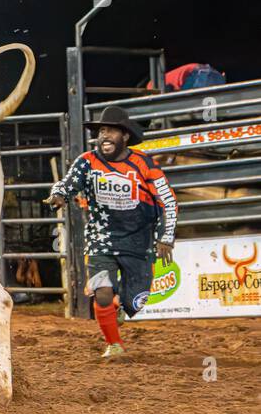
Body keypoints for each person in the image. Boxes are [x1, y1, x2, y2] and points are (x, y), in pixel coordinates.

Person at [47, 105, 178, 360]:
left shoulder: (145, 165)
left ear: (125, 136)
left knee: (136, 302)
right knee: (103, 292)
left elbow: (168, 202)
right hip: (101, 239)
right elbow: (68, 182)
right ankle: (114, 344)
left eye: (111, 131)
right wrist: (59, 194)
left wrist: (166, 237)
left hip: (138, 243)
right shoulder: (87, 161)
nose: (105, 136)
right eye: (102, 131)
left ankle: (120, 306)